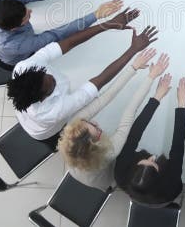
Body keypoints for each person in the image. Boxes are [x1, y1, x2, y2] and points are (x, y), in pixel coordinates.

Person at [8, 13, 157, 141]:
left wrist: (108, 24)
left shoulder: (24, 68)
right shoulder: (52, 112)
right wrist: (133, 50)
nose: (52, 77)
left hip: (28, 111)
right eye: (51, 85)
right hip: (42, 132)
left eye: (45, 74)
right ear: (43, 98)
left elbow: (66, 44)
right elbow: (100, 80)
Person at [59, 50, 169, 191]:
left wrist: (133, 68)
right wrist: (151, 77)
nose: (96, 123)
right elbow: (130, 112)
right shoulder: (109, 152)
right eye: (97, 130)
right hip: (101, 182)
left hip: (75, 170)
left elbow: (106, 97)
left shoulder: (74, 126)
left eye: (90, 122)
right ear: (96, 146)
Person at [0, 0, 120, 67]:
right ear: (14, 28)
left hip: (10, 45)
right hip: (17, 59)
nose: (31, 11)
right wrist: (96, 15)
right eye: (26, 17)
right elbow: (56, 34)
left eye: (26, 9)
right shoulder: (15, 45)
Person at [114, 73, 185, 206]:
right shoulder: (171, 186)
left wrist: (157, 97)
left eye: (145, 161)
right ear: (161, 177)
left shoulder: (120, 174)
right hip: (164, 199)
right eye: (154, 164)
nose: (152, 158)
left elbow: (134, 134)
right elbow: (178, 147)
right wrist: (182, 104)